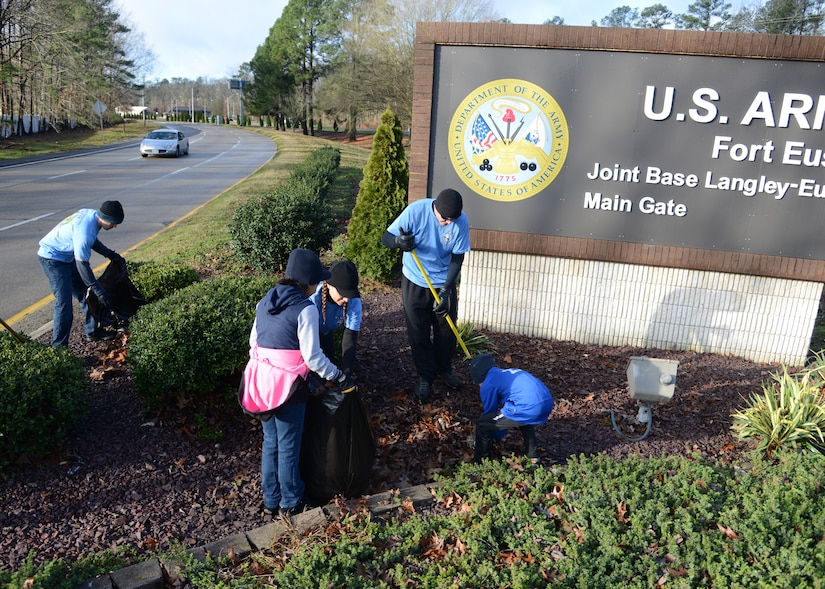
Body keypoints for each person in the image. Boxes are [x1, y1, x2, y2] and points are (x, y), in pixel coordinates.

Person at [241, 248, 354, 517]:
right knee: (289, 444)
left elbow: (253, 343)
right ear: (309, 283)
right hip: (288, 387)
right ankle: (291, 501)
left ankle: (270, 500)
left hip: (260, 383)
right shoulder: (306, 309)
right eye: (316, 281)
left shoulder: (265, 300)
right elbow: (313, 357)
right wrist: (337, 375)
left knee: (270, 443)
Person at [382, 188, 470, 401]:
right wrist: (398, 243)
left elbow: (457, 258)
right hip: (415, 279)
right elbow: (386, 237)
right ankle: (425, 377)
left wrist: (447, 289)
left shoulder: (461, 222)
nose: (448, 222)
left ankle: (444, 369)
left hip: (442, 281)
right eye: (445, 218)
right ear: (435, 209)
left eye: (452, 219)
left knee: (446, 329)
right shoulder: (416, 211)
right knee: (418, 331)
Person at [37, 200, 125, 346]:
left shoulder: (91, 215)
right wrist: (99, 290)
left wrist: (109, 254)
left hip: (66, 257)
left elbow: (92, 241)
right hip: (52, 259)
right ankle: (59, 349)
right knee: (64, 304)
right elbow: (83, 265)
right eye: (113, 223)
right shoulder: (85, 232)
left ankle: (93, 332)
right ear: (104, 218)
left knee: (87, 295)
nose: (114, 226)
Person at [469, 353, 554, 464]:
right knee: (524, 421)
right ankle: (533, 457)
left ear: (479, 378)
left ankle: (480, 463)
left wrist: (495, 437)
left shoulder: (487, 384)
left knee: (483, 425)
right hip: (547, 402)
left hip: (529, 407)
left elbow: (491, 414)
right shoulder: (507, 372)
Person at [309, 260, 362, 377]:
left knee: (331, 363)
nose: (347, 299)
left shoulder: (354, 302)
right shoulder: (313, 300)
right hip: (309, 335)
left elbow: (350, 339)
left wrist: (347, 374)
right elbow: (308, 347)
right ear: (328, 285)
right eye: (343, 293)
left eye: (350, 294)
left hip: (327, 332)